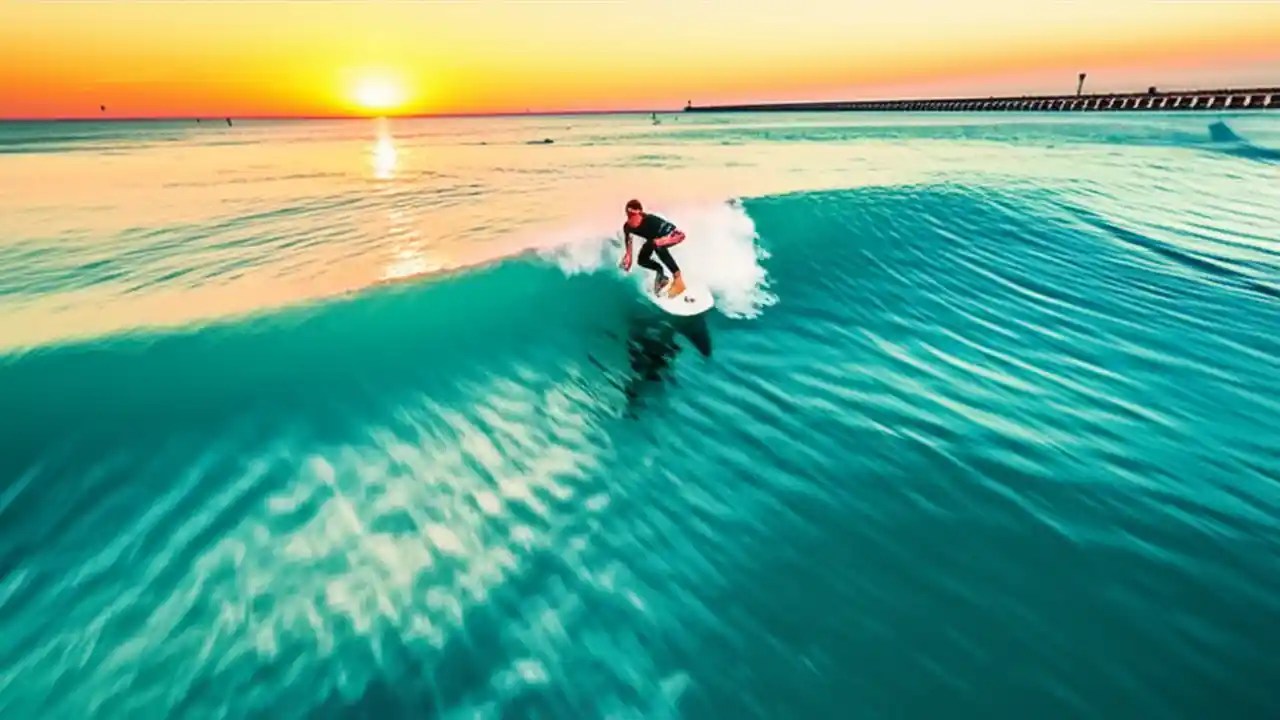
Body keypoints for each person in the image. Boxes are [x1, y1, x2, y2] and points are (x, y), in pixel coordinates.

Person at [618, 199, 686, 297]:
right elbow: (629, 239)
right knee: (642, 260)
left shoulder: (652, 221)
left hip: (669, 238)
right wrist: (628, 256)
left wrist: (664, 240)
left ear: (640, 213)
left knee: (657, 244)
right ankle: (661, 276)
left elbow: (681, 235)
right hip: (653, 242)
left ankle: (678, 281)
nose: (631, 219)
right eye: (629, 215)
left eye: (634, 216)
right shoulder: (628, 227)